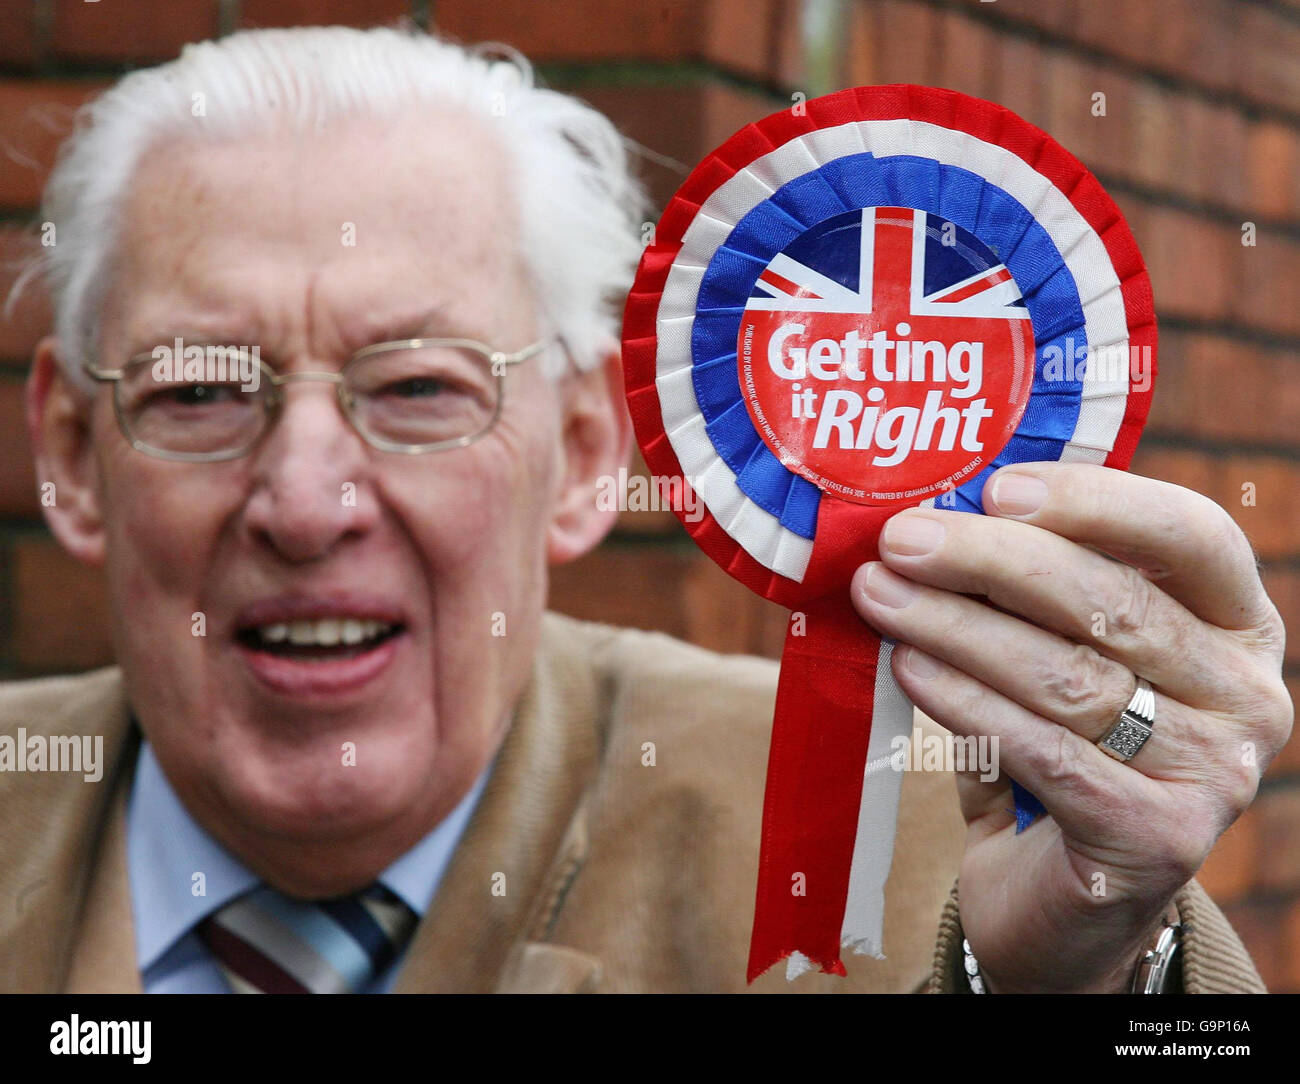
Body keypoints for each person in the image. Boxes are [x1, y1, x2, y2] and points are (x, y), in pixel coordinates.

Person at [1, 25, 1288, 994]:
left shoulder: (895, 859)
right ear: (70, 450)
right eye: (201, 392)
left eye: (418, 386)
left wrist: (1095, 968)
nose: (305, 499)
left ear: (575, 456)